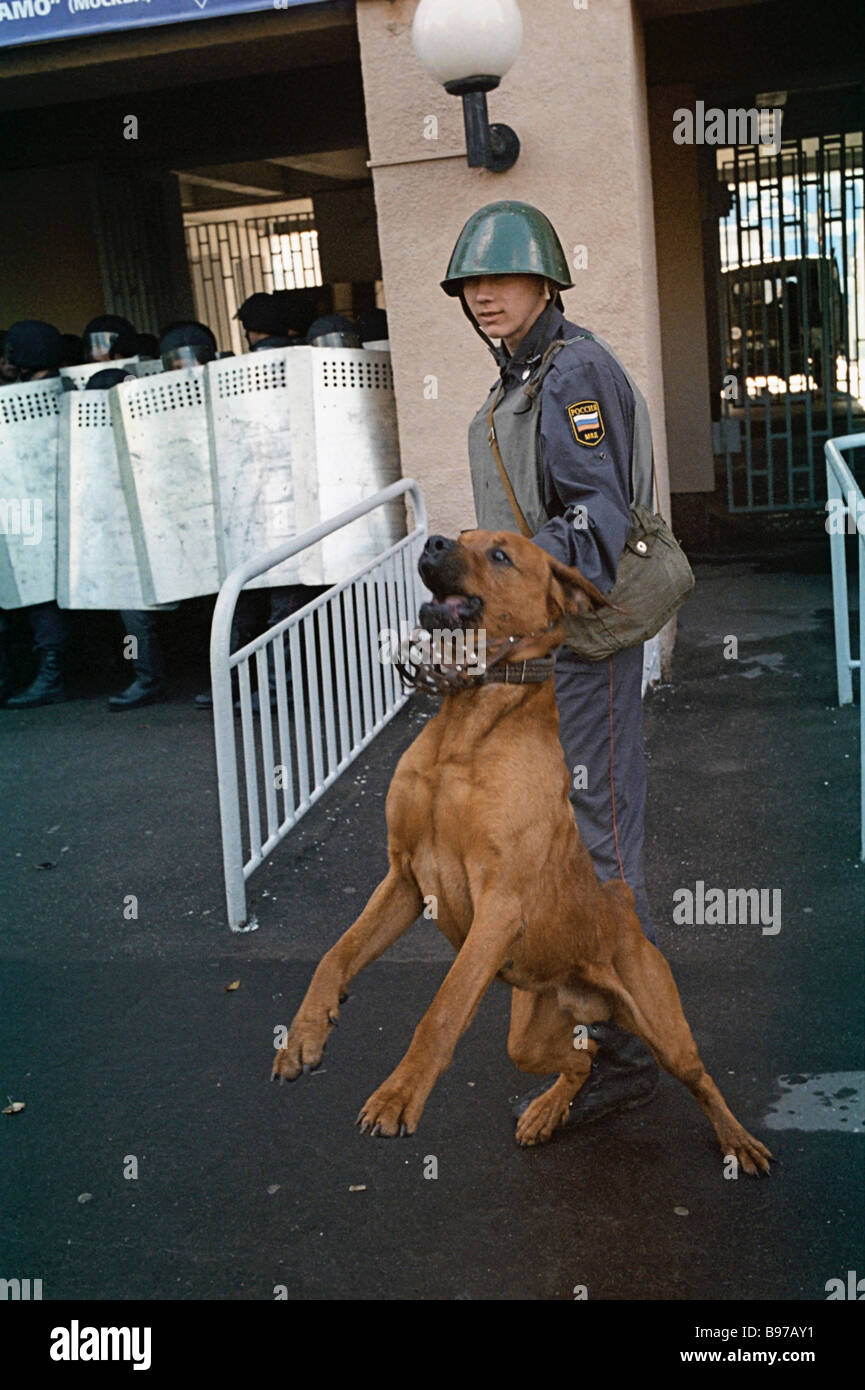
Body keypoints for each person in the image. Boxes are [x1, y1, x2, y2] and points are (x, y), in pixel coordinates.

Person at [442, 200, 661, 1124]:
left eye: (502, 279)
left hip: (578, 645)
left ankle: (628, 1048)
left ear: (545, 283)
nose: (484, 295)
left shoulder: (572, 373)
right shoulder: (518, 378)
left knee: (601, 840)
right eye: (470, 284)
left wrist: (513, 593)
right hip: (534, 650)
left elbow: (594, 522)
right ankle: (584, 1025)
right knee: (556, 836)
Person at [2, 320, 71, 707]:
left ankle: (51, 676)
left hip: (25, 506)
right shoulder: (69, 387)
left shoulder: (15, 401)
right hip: (70, 504)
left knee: (38, 595)